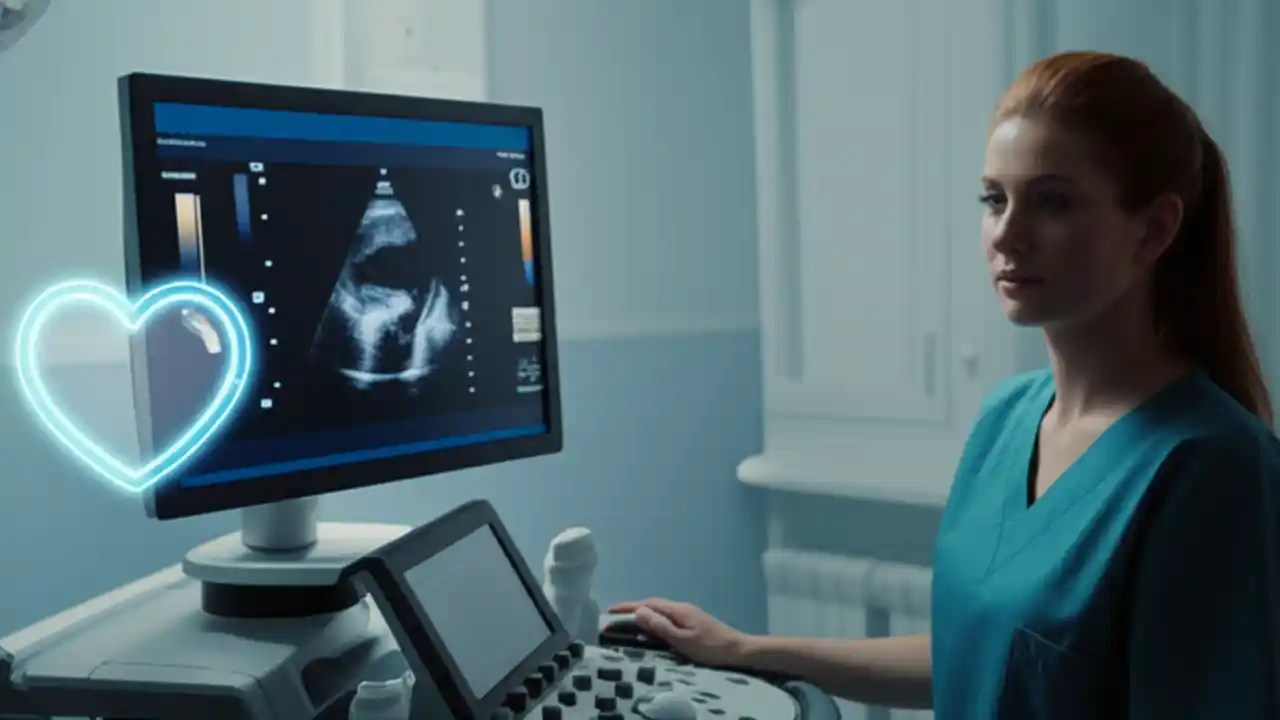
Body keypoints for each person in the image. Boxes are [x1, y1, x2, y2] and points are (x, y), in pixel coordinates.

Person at [611, 50, 1280, 718]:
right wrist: (747, 650)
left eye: (1053, 203)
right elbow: (977, 653)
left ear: (1155, 227)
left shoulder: (1210, 465)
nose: (1008, 234)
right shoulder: (1006, 418)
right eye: (994, 199)